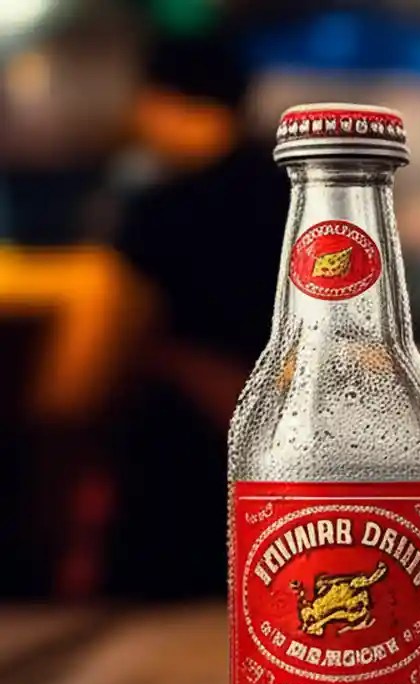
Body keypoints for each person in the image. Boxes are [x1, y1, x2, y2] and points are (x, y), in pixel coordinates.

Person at [107, 31, 287, 599]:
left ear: (167, 101)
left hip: (181, 444)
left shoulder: (158, 211)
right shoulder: (287, 191)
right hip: (283, 438)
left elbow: (128, 324)